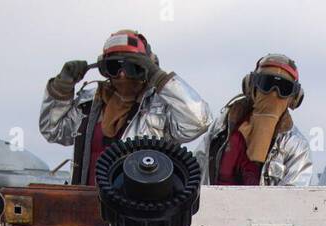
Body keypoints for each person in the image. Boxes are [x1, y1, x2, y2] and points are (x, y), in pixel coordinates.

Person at [39, 28, 210, 186]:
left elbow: (198, 122)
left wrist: (160, 79)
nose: (122, 74)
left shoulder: (161, 106)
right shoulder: (89, 105)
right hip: (86, 206)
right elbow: (53, 130)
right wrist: (61, 88)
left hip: (138, 210)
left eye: (131, 67)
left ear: (145, 68)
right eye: (114, 67)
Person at [205, 54, 313, 187]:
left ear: (293, 98)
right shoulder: (223, 127)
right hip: (214, 206)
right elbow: (199, 171)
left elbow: (292, 200)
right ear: (252, 86)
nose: (274, 93)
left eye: (283, 88)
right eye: (267, 84)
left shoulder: (296, 147)